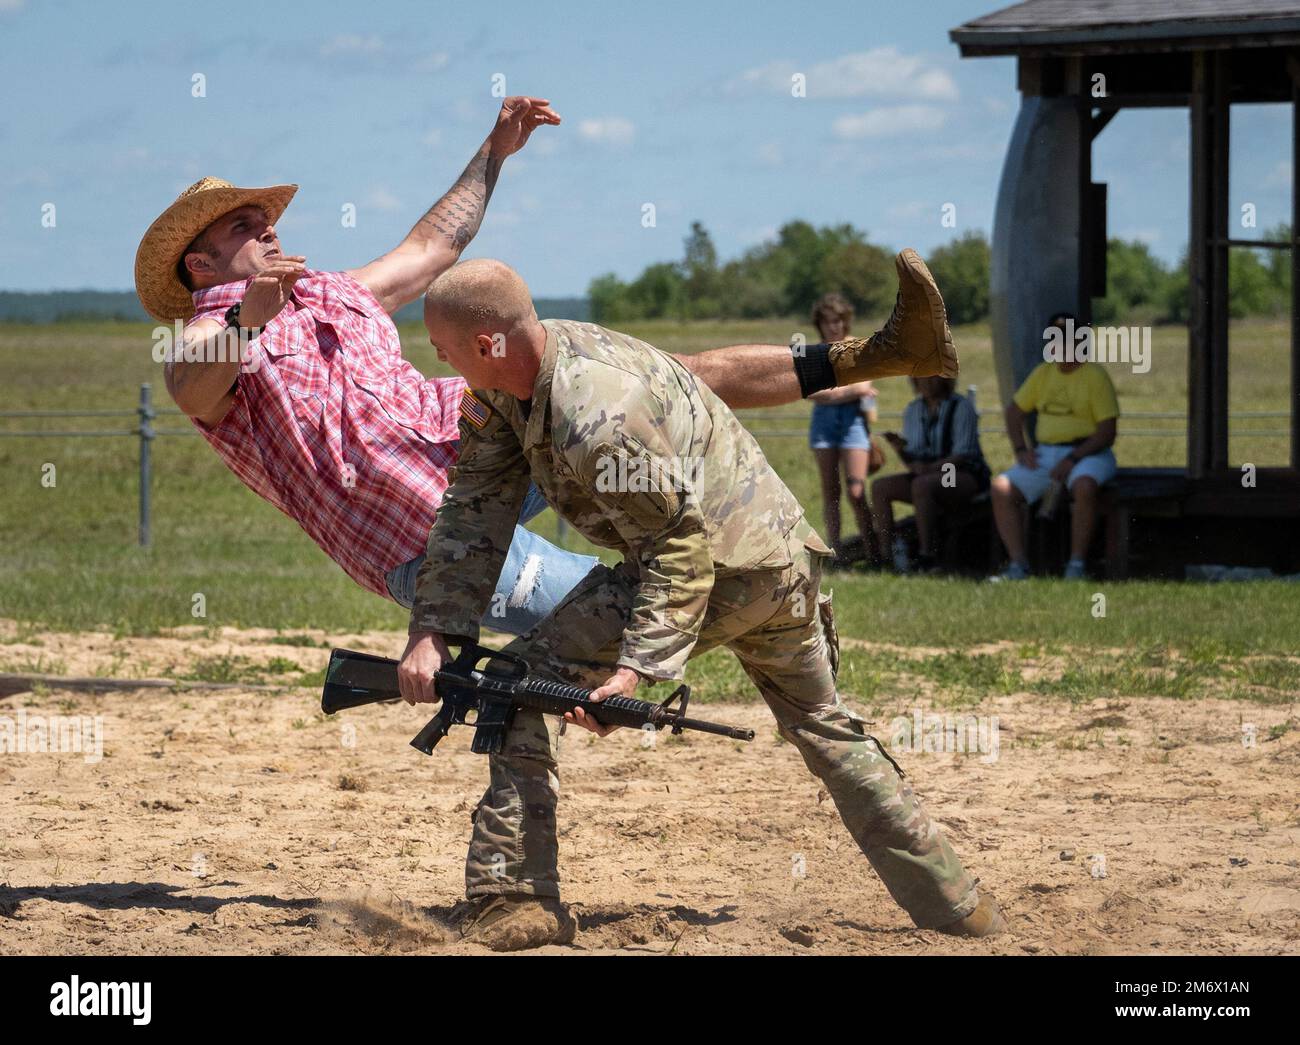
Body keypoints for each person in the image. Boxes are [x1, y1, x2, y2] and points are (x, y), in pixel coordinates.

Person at [133, 95, 963, 631]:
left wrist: (493, 152)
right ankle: (762, 621)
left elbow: (433, 245)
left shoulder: (336, 293)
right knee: (605, 615)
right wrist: (247, 319)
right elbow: (189, 384)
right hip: (429, 531)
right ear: (199, 268)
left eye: (258, 215)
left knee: (654, 374)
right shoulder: (214, 340)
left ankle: (875, 354)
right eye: (238, 227)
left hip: (495, 435)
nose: (263, 227)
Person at [396, 258, 1004, 951]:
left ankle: (514, 896)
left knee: (522, 682)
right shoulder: (519, 376)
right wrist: (432, 629)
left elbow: (678, 550)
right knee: (826, 729)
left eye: (441, 345)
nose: (435, 357)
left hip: (718, 566)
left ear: (485, 345)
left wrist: (629, 673)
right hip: (779, 559)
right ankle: (959, 907)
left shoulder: (595, 413)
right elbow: (474, 509)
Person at [990, 312, 1120, 580]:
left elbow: (1107, 432)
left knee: (1084, 486)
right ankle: (1018, 565)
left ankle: (1076, 565)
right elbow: (1014, 412)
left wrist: (1073, 459)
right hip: (1046, 452)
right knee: (1000, 488)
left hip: (1089, 453)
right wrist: (1021, 450)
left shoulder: (1095, 376)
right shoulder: (1043, 373)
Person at [872, 376, 990, 573]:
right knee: (880, 486)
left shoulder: (961, 407)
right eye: (921, 378)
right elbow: (914, 456)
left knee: (924, 485)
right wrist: (900, 449)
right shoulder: (913, 409)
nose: (925, 383)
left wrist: (928, 469)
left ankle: (928, 555)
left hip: (957, 471)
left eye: (931, 378)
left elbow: (962, 454)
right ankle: (885, 555)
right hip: (926, 472)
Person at [805, 293, 880, 568]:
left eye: (837, 321)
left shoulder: (859, 347)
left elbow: (865, 387)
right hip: (824, 426)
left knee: (857, 491)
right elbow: (810, 391)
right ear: (820, 324)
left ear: (845, 321)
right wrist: (848, 391)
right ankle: (835, 553)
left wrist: (832, 392)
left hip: (853, 426)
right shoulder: (815, 351)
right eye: (827, 322)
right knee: (830, 491)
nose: (833, 327)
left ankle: (874, 551)